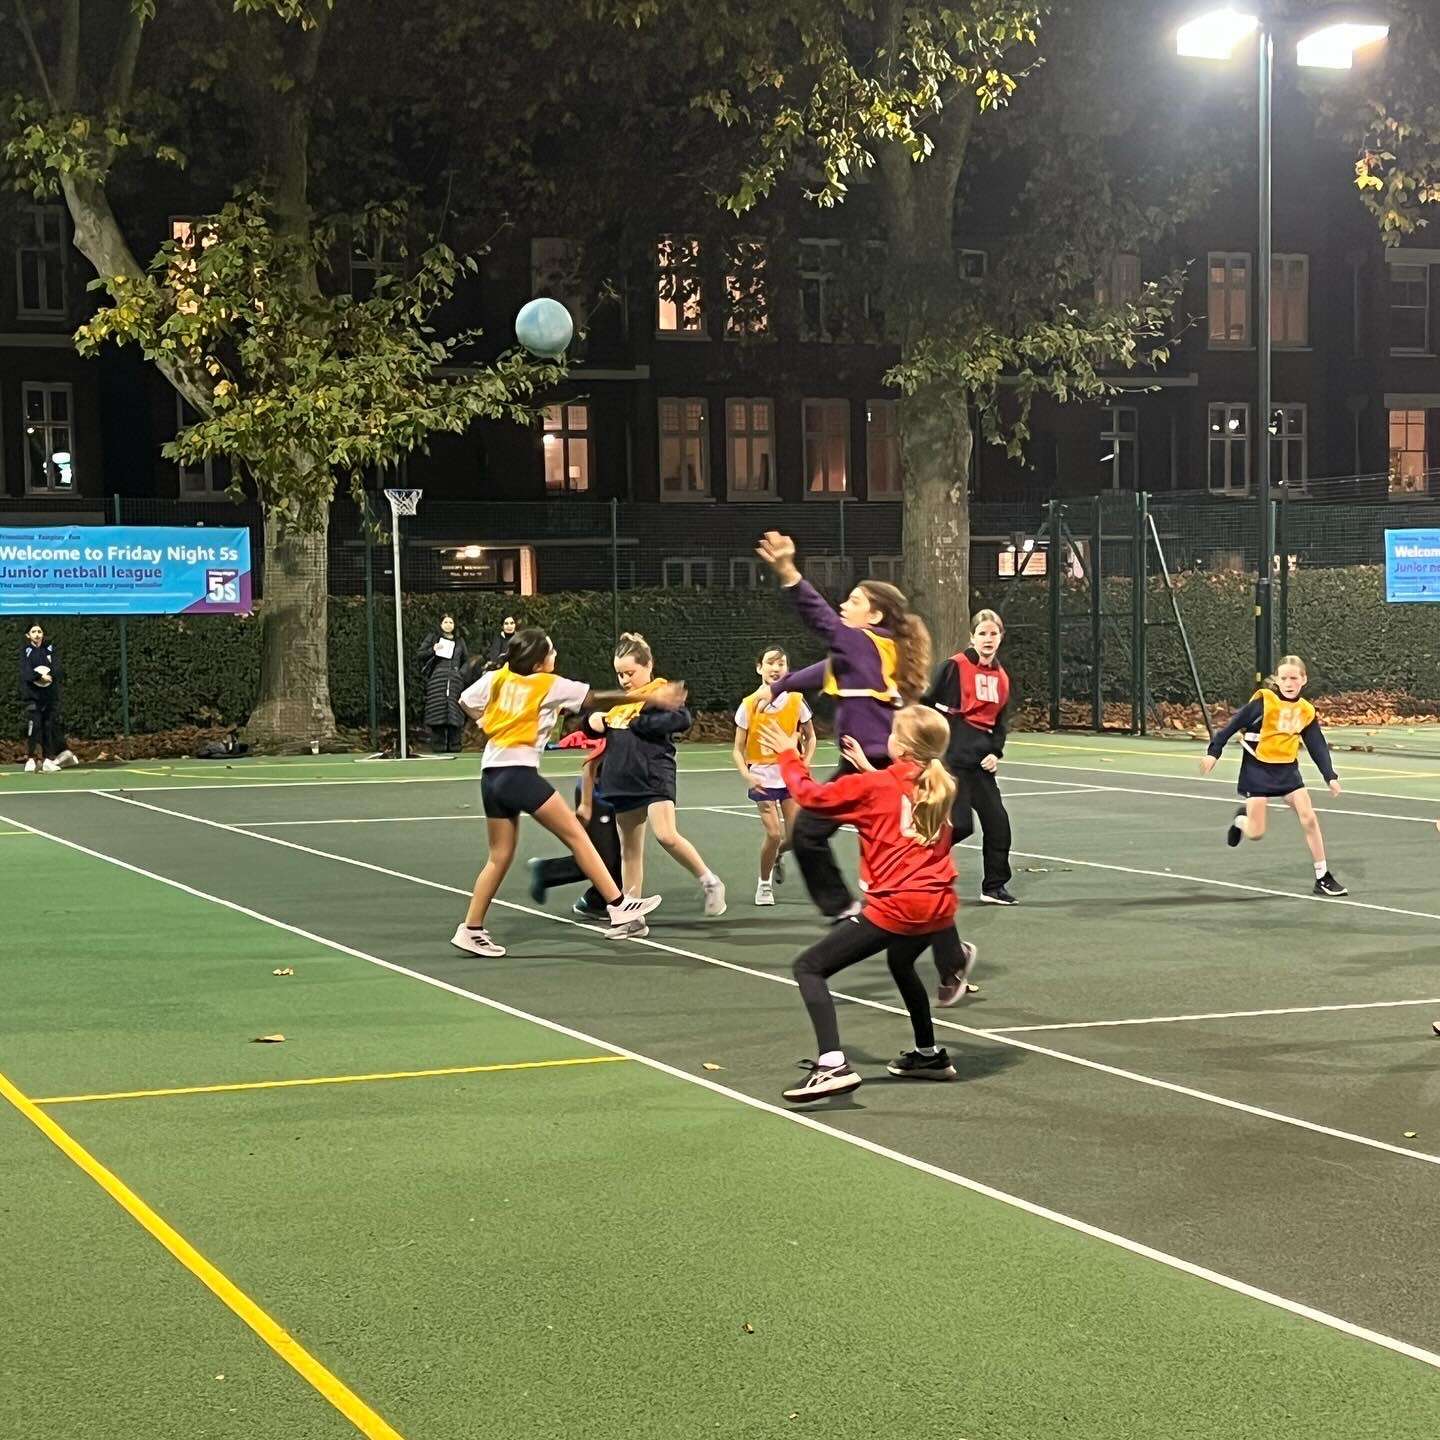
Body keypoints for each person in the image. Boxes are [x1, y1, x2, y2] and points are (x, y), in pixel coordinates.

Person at [764, 705, 978, 1104]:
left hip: (898, 905)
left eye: (894, 732)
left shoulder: (875, 787)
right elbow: (900, 796)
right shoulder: (941, 783)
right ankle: (928, 1054)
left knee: (809, 967)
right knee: (901, 962)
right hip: (938, 907)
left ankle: (832, 1064)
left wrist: (788, 755)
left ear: (903, 747)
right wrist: (867, 768)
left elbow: (811, 796)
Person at [452, 626, 673, 956]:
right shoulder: (548, 684)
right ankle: (618, 906)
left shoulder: (497, 677)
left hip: (491, 776)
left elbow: (465, 700)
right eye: (551, 652)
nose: (555, 655)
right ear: (539, 663)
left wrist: (485, 723)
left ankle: (470, 928)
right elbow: (596, 699)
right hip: (519, 774)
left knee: (499, 856)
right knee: (577, 835)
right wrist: (648, 697)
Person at [754, 530, 931, 919]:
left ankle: (843, 911)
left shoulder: (861, 642)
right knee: (897, 851)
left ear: (875, 616)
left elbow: (823, 621)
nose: (842, 606)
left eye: (853, 601)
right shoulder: (881, 647)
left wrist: (789, 572)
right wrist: (780, 686)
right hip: (884, 764)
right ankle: (941, 940)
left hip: (869, 765)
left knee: (808, 835)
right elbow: (829, 668)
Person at [585, 632, 727, 917]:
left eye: (630, 673)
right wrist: (593, 722)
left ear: (648, 665)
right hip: (622, 780)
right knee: (629, 850)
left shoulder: (659, 693)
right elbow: (594, 725)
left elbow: (681, 718)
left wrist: (639, 722)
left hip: (653, 775)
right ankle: (631, 914)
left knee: (666, 835)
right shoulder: (621, 701)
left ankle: (710, 882)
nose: (625, 680)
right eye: (620, 674)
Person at [1200, 654, 1346, 897]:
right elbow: (1231, 726)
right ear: (1277, 680)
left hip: (1287, 771)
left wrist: (1329, 775)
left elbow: (1316, 744)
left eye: (1294, 678)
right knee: (1256, 833)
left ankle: (1322, 877)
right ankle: (1241, 821)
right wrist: (1213, 753)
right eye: (1284, 678)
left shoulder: (1306, 710)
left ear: (1304, 680)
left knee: (1309, 818)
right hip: (1258, 769)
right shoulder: (1264, 702)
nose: (1289, 683)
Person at [923, 608, 1017, 905]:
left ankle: (994, 887)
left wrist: (995, 752)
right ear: (972, 637)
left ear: (1001, 637)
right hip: (951, 760)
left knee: (998, 824)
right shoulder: (953, 667)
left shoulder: (1002, 678)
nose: (988, 639)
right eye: (982, 633)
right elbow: (925, 703)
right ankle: (915, 865)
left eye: (993, 633)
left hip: (980, 764)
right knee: (960, 825)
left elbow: (1000, 723)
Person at [732, 645, 815, 905]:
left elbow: (811, 737)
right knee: (774, 833)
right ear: (759, 668)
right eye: (770, 663)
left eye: (781, 664)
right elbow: (737, 749)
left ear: (788, 670)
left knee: (795, 836)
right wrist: (746, 774)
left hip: (789, 774)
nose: (776, 668)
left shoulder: (796, 701)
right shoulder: (748, 705)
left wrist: (805, 762)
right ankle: (764, 884)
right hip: (762, 775)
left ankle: (777, 855)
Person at [526, 742, 624, 923]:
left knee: (612, 859)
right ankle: (591, 901)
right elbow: (591, 763)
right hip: (596, 796)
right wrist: (586, 804)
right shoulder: (620, 730)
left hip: (614, 795)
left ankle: (594, 898)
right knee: (604, 860)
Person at [19, 622, 75, 773]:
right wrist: (39, 677)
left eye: (39, 631)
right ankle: (31, 759)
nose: (37, 634)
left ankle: (48, 760)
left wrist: (50, 675)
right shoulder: (25, 651)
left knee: (48, 726)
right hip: (32, 696)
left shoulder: (49, 649)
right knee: (35, 726)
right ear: (28, 635)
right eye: (34, 632)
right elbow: (25, 672)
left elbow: (57, 669)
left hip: (49, 696)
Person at [417, 614, 470, 754]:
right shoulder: (433, 638)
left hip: (455, 681)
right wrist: (433, 650)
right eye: (445, 622)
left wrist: (460, 674)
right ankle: (438, 744)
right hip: (437, 679)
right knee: (437, 710)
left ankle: (454, 744)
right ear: (440, 624)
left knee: (455, 710)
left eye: (451, 622)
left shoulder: (460, 641)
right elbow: (420, 654)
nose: (448, 624)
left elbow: (466, 660)